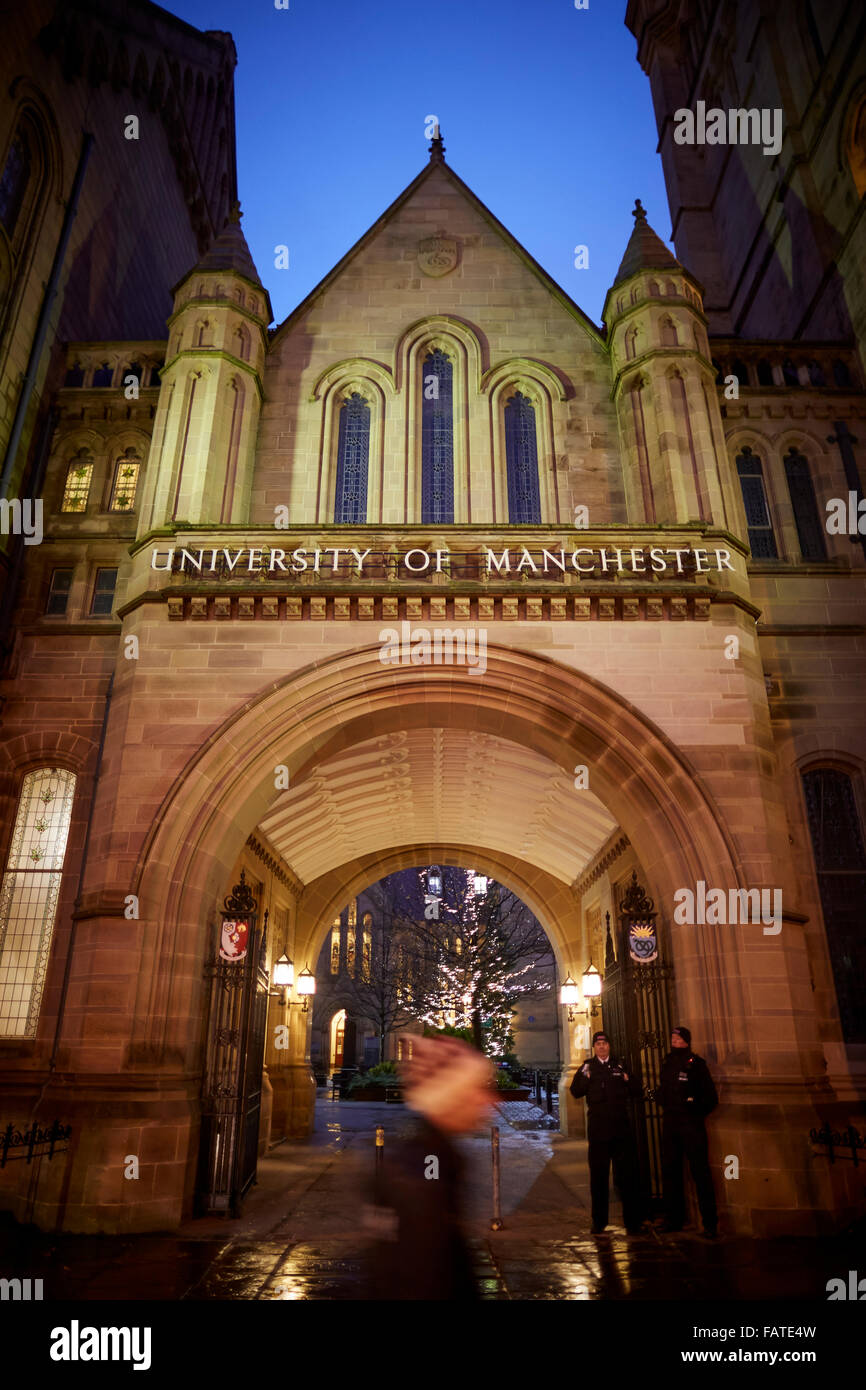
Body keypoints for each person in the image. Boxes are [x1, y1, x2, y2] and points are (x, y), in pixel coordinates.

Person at [362, 1036, 494, 1299]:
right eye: (475, 1089)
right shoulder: (426, 1163)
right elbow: (424, 1268)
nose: (487, 1101)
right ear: (452, 1097)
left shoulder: (435, 1152)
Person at [570, 1029, 643, 1234]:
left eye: (604, 1044)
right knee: (598, 1178)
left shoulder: (620, 1065)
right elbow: (575, 1091)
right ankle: (599, 1221)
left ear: (609, 1046)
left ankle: (632, 1222)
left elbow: (637, 1090)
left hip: (620, 1130)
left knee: (628, 1177)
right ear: (594, 1047)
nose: (601, 1047)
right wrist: (586, 1079)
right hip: (598, 1131)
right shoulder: (587, 1066)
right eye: (598, 1044)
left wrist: (628, 1079)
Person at [659, 1025, 719, 1238]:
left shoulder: (697, 1065)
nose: (674, 1041)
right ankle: (673, 1219)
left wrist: (694, 1113)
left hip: (691, 1126)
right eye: (673, 1038)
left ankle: (710, 1224)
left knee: (700, 1173)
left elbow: (710, 1098)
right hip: (671, 1124)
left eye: (678, 1038)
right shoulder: (667, 1063)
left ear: (686, 1041)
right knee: (671, 1172)